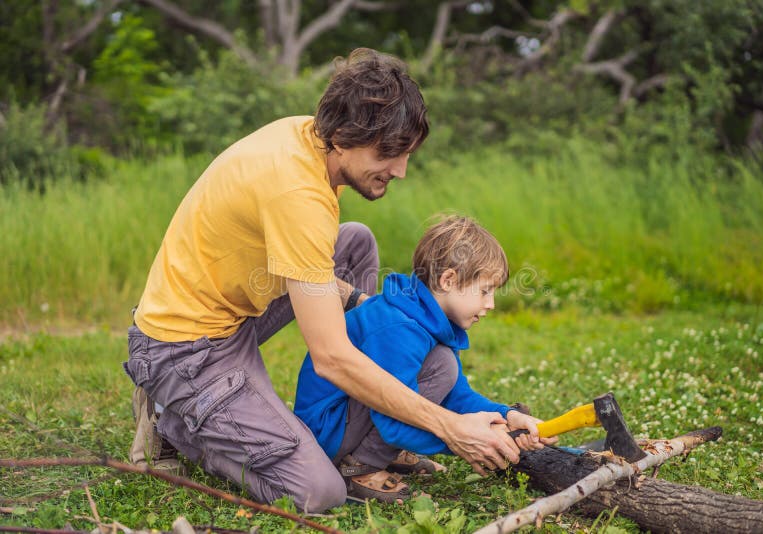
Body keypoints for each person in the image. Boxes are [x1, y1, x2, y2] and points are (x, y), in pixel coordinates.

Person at [123, 48, 525, 514]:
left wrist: (386, 327)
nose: (399, 170)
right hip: (187, 350)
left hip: (230, 313)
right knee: (319, 491)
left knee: (353, 242)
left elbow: (313, 270)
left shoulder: (309, 138)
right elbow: (332, 358)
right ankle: (174, 420)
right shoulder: (297, 193)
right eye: (388, 153)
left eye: (406, 154)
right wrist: (450, 428)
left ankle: (377, 424)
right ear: (343, 136)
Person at [294, 215, 558, 503]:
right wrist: (464, 440)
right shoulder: (400, 328)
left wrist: (508, 417)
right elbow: (393, 421)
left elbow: (458, 396)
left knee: (443, 365)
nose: (491, 304)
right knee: (442, 365)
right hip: (328, 430)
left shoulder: (427, 317)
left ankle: (383, 452)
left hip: (350, 419)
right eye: (484, 291)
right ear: (448, 280)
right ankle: (360, 467)